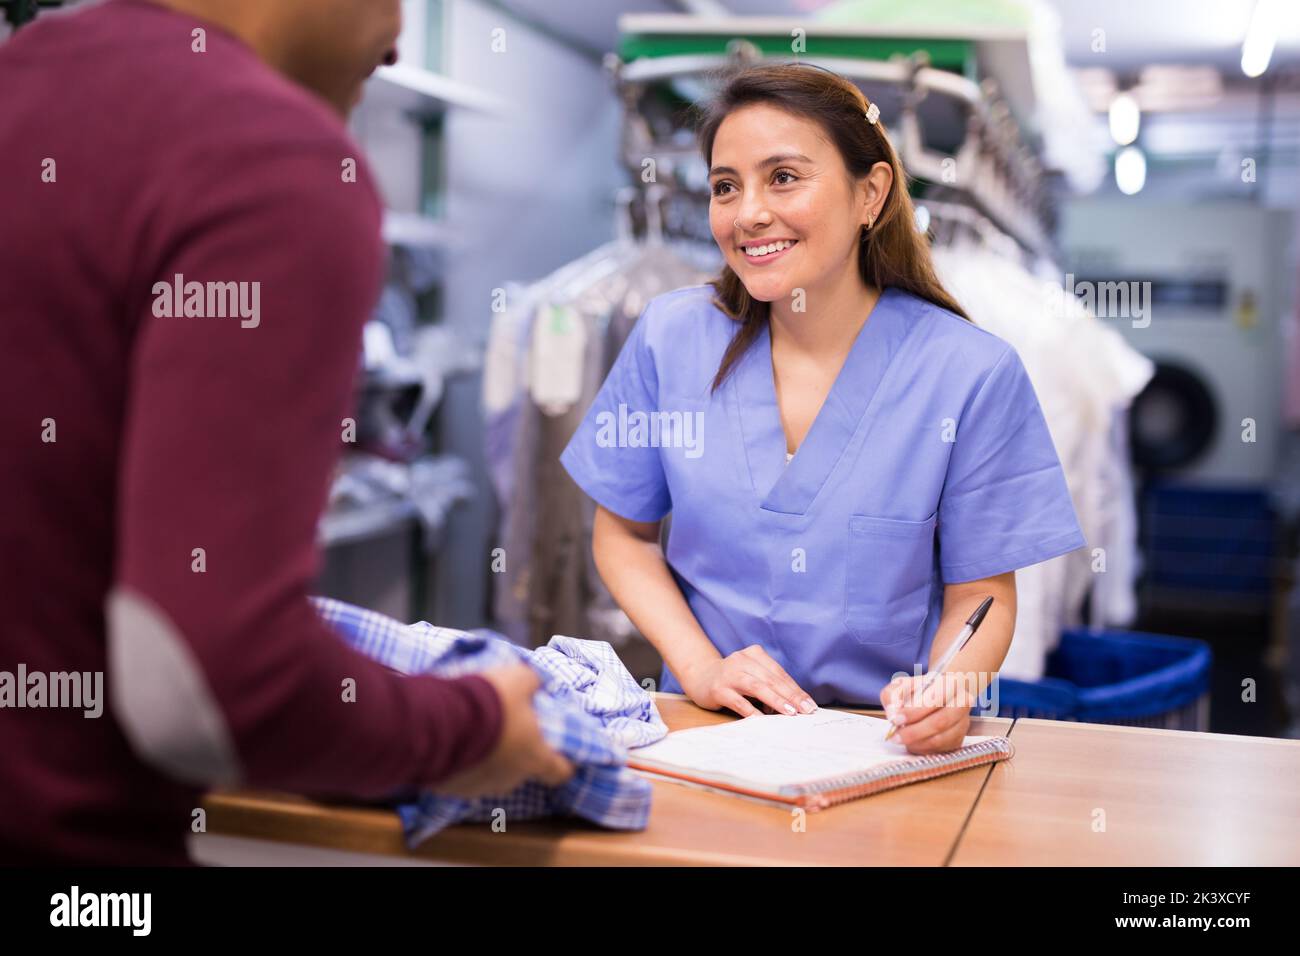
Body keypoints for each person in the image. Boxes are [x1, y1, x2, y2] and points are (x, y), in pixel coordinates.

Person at [0, 0, 569, 865]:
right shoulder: (269, 158)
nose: (398, 38)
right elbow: (210, 679)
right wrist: (475, 729)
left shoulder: (30, 79)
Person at [561, 63, 1086, 755]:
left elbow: (981, 596)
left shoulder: (970, 374)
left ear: (870, 193)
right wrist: (701, 666)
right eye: (726, 186)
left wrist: (951, 689)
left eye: (783, 177)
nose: (748, 213)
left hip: (884, 747)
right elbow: (622, 536)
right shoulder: (670, 338)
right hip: (710, 736)